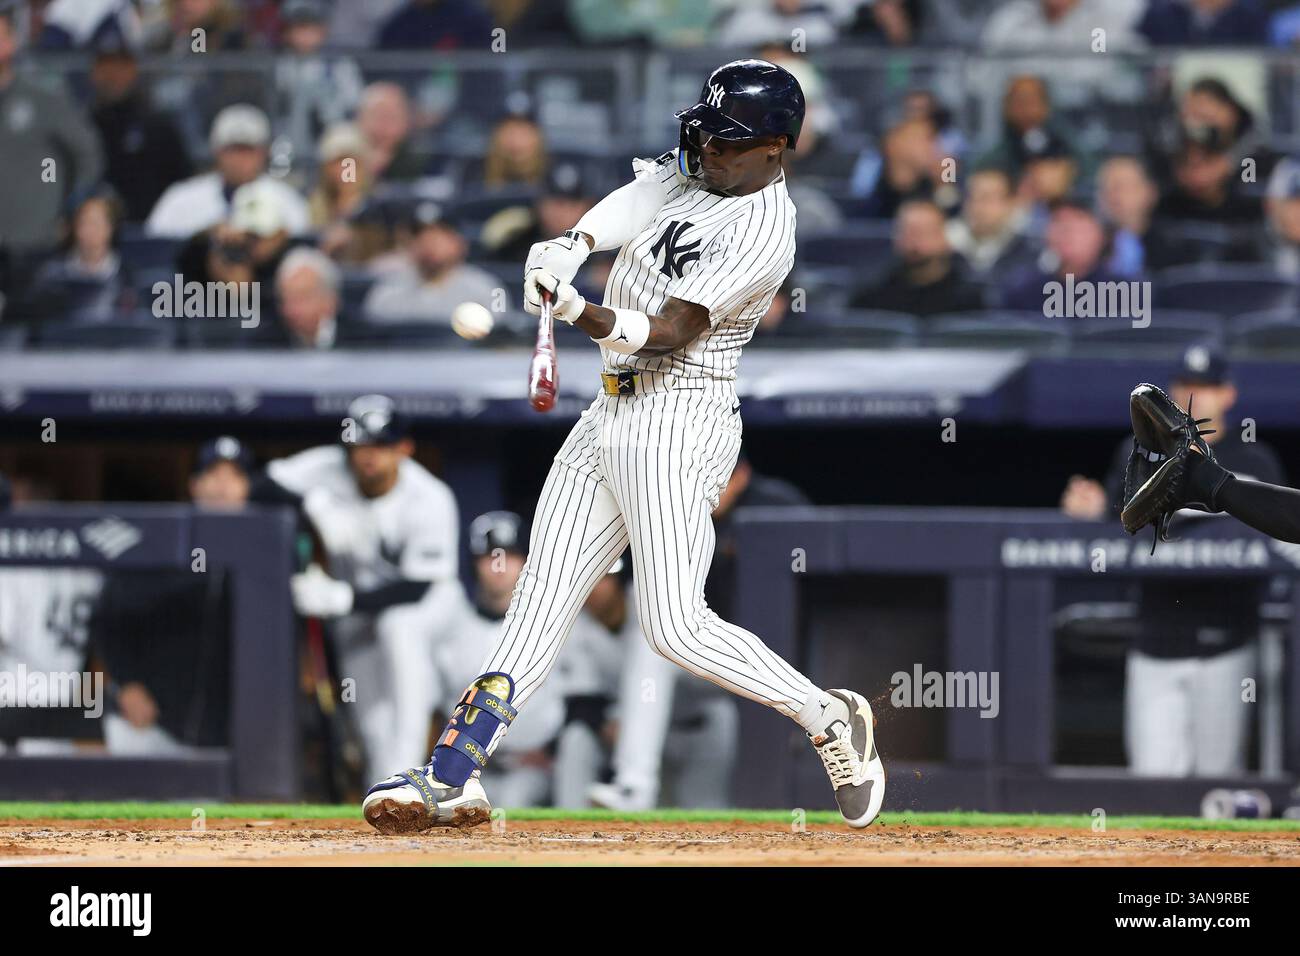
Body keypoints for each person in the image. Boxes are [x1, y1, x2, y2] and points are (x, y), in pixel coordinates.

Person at [362, 59, 885, 834]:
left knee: (672, 624)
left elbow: (669, 334)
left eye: (728, 141)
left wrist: (577, 308)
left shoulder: (765, 230)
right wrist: (575, 240)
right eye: (705, 133)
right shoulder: (706, 165)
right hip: (607, 411)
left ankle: (827, 716)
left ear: (776, 147)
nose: (707, 148)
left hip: (681, 414)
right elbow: (644, 194)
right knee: (541, 595)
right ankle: (454, 775)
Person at [1060, 347, 1285, 777]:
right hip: (1155, 637)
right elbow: (1113, 519)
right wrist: (1090, 509)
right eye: (1187, 387)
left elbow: (1278, 539)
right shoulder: (1140, 452)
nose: (1196, 396)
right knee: (1151, 779)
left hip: (1228, 641)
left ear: (1229, 394)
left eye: (1207, 387)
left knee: (1218, 779)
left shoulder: (1255, 459)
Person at [257, 395, 463, 785]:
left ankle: (408, 775)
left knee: (398, 629)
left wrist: (343, 599)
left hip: (428, 608)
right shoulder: (328, 469)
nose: (368, 457)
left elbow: (417, 587)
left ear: (404, 448)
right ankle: (387, 793)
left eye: (381, 446)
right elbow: (260, 485)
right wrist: (312, 502)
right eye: (360, 446)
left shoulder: (429, 497)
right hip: (358, 611)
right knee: (370, 719)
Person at [94, 436, 252, 756]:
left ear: (247, 488)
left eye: (234, 476)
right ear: (194, 485)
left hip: (218, 737)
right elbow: (108, 617)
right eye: (213, 474)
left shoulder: (261, 556)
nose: (223, 486)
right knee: (128, 805)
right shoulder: (160, 541)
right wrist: (127, 683)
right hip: (146, 723)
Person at [432, 512, 567, 808]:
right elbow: (432, 706)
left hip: (536, 766)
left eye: (511, 555)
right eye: (489, 556)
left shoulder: (555, 624)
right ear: (473, 564)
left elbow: (584, 698)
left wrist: (556, 750)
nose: (499, 566)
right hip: (461, 768)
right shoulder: (452, 627)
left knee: (512, 805)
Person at [0, 4, 104, 255]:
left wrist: (71, 211)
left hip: (34, 243)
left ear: (12, 42)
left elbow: (87, 154)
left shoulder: (43, 98)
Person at [145, 104, 310, 238]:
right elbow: (154, 250)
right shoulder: (180, 199)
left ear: (264, 153)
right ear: (216, 152)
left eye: (248, 149)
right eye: (232, 149)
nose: (240, 159)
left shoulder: (287, 201)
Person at [88, 34, 193, 222]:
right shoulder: (82, 125)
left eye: (120, 66)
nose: (112, 75)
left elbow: (182, 183)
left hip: (151, 231)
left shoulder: (157, 125)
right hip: (95, 235)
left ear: (133, 69)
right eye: (106, 65)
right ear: (94, 71)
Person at [361, 201, 503, 323]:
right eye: (420, 236)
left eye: (439, 236)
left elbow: (502, 346)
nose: (429, 243)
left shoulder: (487, 290)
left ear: (459, 243)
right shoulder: (386, 292)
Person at [850, 199, 985, 317]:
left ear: (944, 238)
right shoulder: (871, 295)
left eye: (924, 233)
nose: (915, 243)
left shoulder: (971, 300)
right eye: (908, 232)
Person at [946, 167, 1036, 279]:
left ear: (1010, 203)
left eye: (987, 198)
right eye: (971, 197)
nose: (977, 207)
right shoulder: (947, 242)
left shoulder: (1029, 249)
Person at [270, 246, 341, 349]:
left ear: (330, 300)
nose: (291, 310)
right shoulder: (263, 340)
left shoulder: (366, 338)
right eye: (285, 300)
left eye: (301, 299)